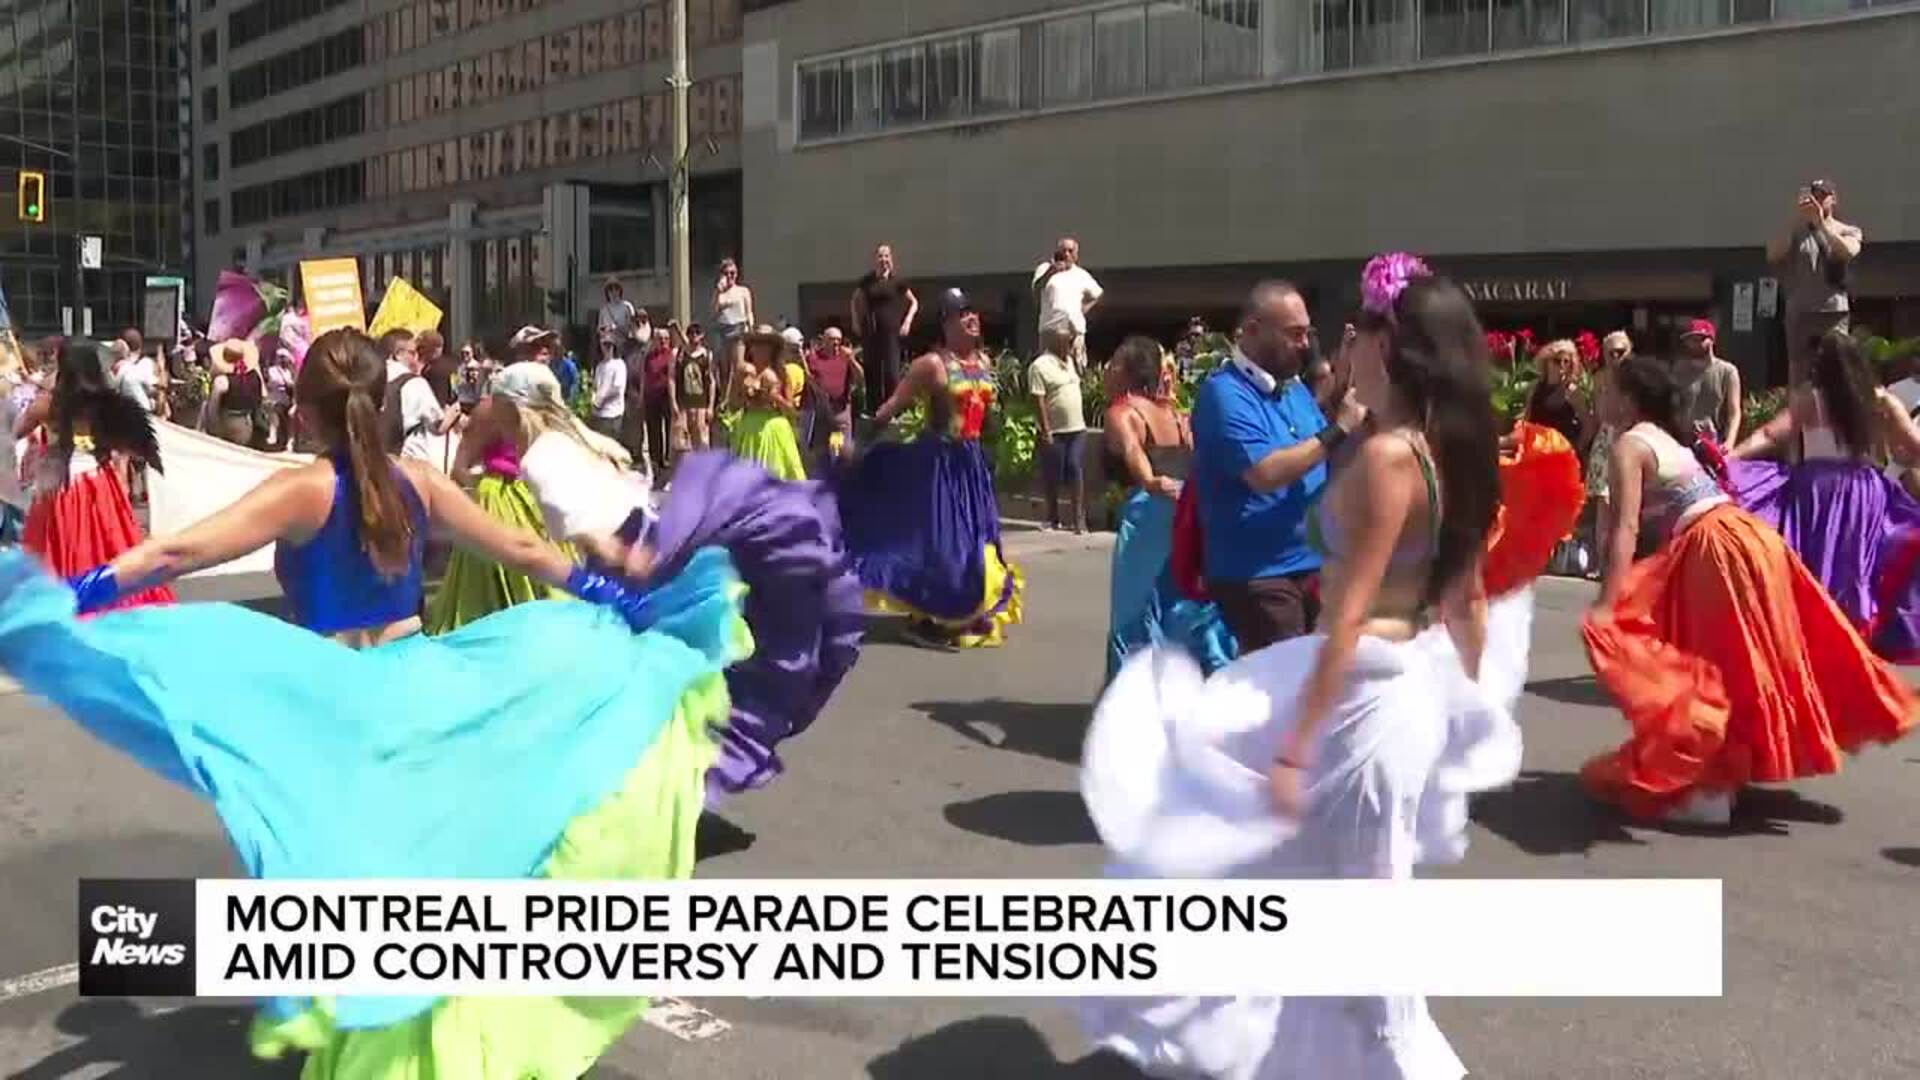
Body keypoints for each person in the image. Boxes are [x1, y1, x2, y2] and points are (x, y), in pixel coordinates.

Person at [0, 326, 744, 1078]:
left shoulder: (303, 489)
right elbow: (522, 550)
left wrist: (66, 597)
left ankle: (384, 1034)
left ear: (305, 412)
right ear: (381, 402)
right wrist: (618, 597)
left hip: (335, 702)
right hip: (422, 686)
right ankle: (426, 1027)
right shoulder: (415, 482)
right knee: (424, 869)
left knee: (351, 868)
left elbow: (176, 552)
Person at [1081, 255, 1526, 1080]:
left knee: (1353, 909)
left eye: (1357, 334)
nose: (1339, 348)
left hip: (1365, 699)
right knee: (1328, 888)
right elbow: (1466, 601)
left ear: (1388, 349)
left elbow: (1348, 616)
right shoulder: (1448, 450)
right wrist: (1466, 704)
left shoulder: (1391, 457)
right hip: (1400, 687)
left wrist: (1296, 747)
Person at [465, 364, 862, 804]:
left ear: (510, 409)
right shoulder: (575, 438)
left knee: (643, 684)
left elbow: (582, 521)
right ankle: (674, 777)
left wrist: (621, 561)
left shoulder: (540, 457)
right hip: (660, 540)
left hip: (630, 563)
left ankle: (649, 786)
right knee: (689, 670)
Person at [1583, 354, 1916, 826]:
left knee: (1712, 666)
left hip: (1717, 546)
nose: (1601, 399)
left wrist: (1607, 602)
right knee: (1747, 659)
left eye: (1608, 391)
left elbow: (1624, 529)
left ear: (1628, 400)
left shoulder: (1630, 445)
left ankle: (1711, 788)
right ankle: (1725, 773)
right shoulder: (1664, 436)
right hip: (1753, 538)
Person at [837, 288, 1024, 649]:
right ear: (946, 323)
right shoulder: (932, 365)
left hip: (972, 465)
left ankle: (949, 610)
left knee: (978, 541)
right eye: (962, 313)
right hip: (941, 463)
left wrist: (996, 453)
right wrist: (857, 447)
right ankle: (937, 618)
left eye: (973, 312)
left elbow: (986, 418)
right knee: (948, 545)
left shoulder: (984, 363)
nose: (972, 319)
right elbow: (891, 406)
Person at [1191, 281, 1365, 652]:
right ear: (1253, 331)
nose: (1305, 344)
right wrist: (1340, 429)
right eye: (1294, 334)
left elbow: (1315, 437)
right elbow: (1265, 473)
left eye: (1307, 333)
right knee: (1288, 680)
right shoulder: (1224, 393)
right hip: (1260, 575)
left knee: (1325, 670)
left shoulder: (1292, 388)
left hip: (1311, 565)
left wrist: (1348, 377)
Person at [1724, 331, 1920, 659]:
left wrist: (1730, 458)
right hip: (1861, 490)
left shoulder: (1811, 398)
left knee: (1812, 557)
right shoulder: (1880, 400)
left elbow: (1770, 434)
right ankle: (1853, 633)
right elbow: (1914, 445)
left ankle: (1814, 631)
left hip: (1815, 489)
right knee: (1857, 561)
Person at [424, 359, 604, 635]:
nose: (544, 352)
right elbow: (460, 467)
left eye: (547, 346)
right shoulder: (490, 410)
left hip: (540, 502)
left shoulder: (548, 408)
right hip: (502, 502)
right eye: (536, 347)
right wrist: (485, 492)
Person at [1102, 334, 1234, 683]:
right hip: (1184, 509)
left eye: (1112, 364)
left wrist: (1149, 480)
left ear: (1125, 370)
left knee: (1131, 611)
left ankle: (1132, 693)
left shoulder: (1122, 411)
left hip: (1148, 511)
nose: (1106, 371)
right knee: (1178, 605)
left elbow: (1132, 450)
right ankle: (1190, 681)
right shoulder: (1175, 413)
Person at [13, 339, 175, 609]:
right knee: (109, 544)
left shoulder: (47, 405)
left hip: (61, 487)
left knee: (63, 549)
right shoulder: (107, 405)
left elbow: (15, 431)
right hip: (101, 481)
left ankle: (67, 601)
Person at [1767, 179, 1864, 387]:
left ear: (1833, 199)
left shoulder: (1848, 230)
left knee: (1837, 364)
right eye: (1814, 197)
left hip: (1834, 310)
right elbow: (1774, 255)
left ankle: (1838, 405)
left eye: (1822, 196)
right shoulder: (1796, 231)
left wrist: (1821, 224)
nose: (1818, 201)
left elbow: (1847, 252)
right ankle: (1799, 406)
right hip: (1800, 310)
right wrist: (1797, 219)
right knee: (1798, 368)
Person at [1029, 313, 1089, 533]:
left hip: (1078, 428)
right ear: (1055, 341)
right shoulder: (1039, 366)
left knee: (1074, 466)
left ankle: (1079, 519)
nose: (1071, 344)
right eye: (1067, 341)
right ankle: (1053, 517)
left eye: (1072, 340)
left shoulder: (1071, 362)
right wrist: (1046, 430)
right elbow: (1038, 400)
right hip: (1055, 430)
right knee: (1052, 474)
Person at [724, 329, 808, 482]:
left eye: (766, 344)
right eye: (757, 343)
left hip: (775, 429)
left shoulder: (781, 373)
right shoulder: (743, 373)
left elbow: (792, 411)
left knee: (778, 476)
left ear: (773, 348)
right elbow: (733, 405)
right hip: (749, 430)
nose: (761, 348)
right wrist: (743, 392)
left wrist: (775, 397)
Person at [852, 244, 917, 414]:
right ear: (875, 260)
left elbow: (914, 302)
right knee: (872, 371)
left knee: (891, 373)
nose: (883, 260)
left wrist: (907, 322)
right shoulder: (867, 282)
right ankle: (873, 410)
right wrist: (856, 321)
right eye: (880, 256)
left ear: (891, 259)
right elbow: (855, 300)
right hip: (871, 331)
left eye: (887, 256)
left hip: (891, 333)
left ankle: (892, 410)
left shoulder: (897, 281)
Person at [381, 328, 457, 465]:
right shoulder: (415, 383)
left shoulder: (369, 380)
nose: (416, 357)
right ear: (397, 355)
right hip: (409, 459)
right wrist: (452, 413)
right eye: (412, 352)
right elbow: (438, 426)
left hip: (377, 458)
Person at [1031, 237, 1102, 371]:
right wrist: (1052, 271)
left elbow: (1097, 294)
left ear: (1076, 255)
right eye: (1063, 250)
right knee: (1048, 369)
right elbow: (1037, 288)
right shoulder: (1045, 268)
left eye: (1070, 251)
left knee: (1076, 368)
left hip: (1075, 330)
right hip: (1050, 329)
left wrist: (1083, 309)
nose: (1066, 254)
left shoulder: (1081, 274)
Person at [1673, 318, 1742, 448]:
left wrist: (1729, 443)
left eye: (1700, 339)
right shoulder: (1679, 370)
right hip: (1683, 442)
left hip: (1714, 441)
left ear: (1712, 340)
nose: (1694, 344)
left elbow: (1734, 413)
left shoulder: (1727, 371)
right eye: (1690, 340)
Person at [806, 326, 860, 462]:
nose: (836, 343)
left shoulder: (845, 357)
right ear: (823, 340)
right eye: (831, 339)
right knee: (820, 452)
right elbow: (809, 379)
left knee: (842, 452)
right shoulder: (813, 357)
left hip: (841, 411)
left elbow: (860, 378)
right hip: (821, 412)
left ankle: (842, 473)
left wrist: (851, 360)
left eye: (838, 340)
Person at [207, 339, 266, 448]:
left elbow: (212, 409)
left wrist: (213, 429)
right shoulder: (254, 377)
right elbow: (259, 400)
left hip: (226, 421)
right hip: (246, 421)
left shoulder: (222, 381)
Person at [639, 326, 677, 476]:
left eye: (666, 339)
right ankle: (656, 458)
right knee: (653, 428)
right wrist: (642, 396)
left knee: (668, 427)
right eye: (660, 339)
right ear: (655, 340)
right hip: (651, 396)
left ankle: (667, 458)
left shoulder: (672, 355)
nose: (663, 341)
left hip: (666, 396)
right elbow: (644, 376)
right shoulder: (649, 356)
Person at [712, 257, 755, 388]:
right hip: (723, 330)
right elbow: (714, 311)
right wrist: (718, 291)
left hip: (738, 329)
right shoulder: (719, 293)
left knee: (738, 366)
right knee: (724, 369)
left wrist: (751, 328)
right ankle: (725, 396)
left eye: (733, 273)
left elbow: (749, 312)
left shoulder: (743, 290)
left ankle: (739, 394)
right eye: (726, 273)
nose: (730, 276)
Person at [675, 324, 715, 453]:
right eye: (691, 333)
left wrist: (710, 406)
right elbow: (673, 379)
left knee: (701, 436)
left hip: (701, 401)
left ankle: (703, 463)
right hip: (685, 401)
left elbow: (711, 382)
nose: (694, 336)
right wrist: (675, 403)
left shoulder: (707, 355)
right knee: (684, 438)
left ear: (702, 335)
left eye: (697, 333)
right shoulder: (681, 354)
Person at [589, 328, 628, 445]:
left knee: (611, 447)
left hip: (612, 414)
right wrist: (593, 399)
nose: (607, 348)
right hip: (598, 414)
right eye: (604, 344)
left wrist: (600, 400)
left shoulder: (619, 364)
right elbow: (595, 387)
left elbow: (616, 389)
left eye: (609, 345)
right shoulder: (600, 366)